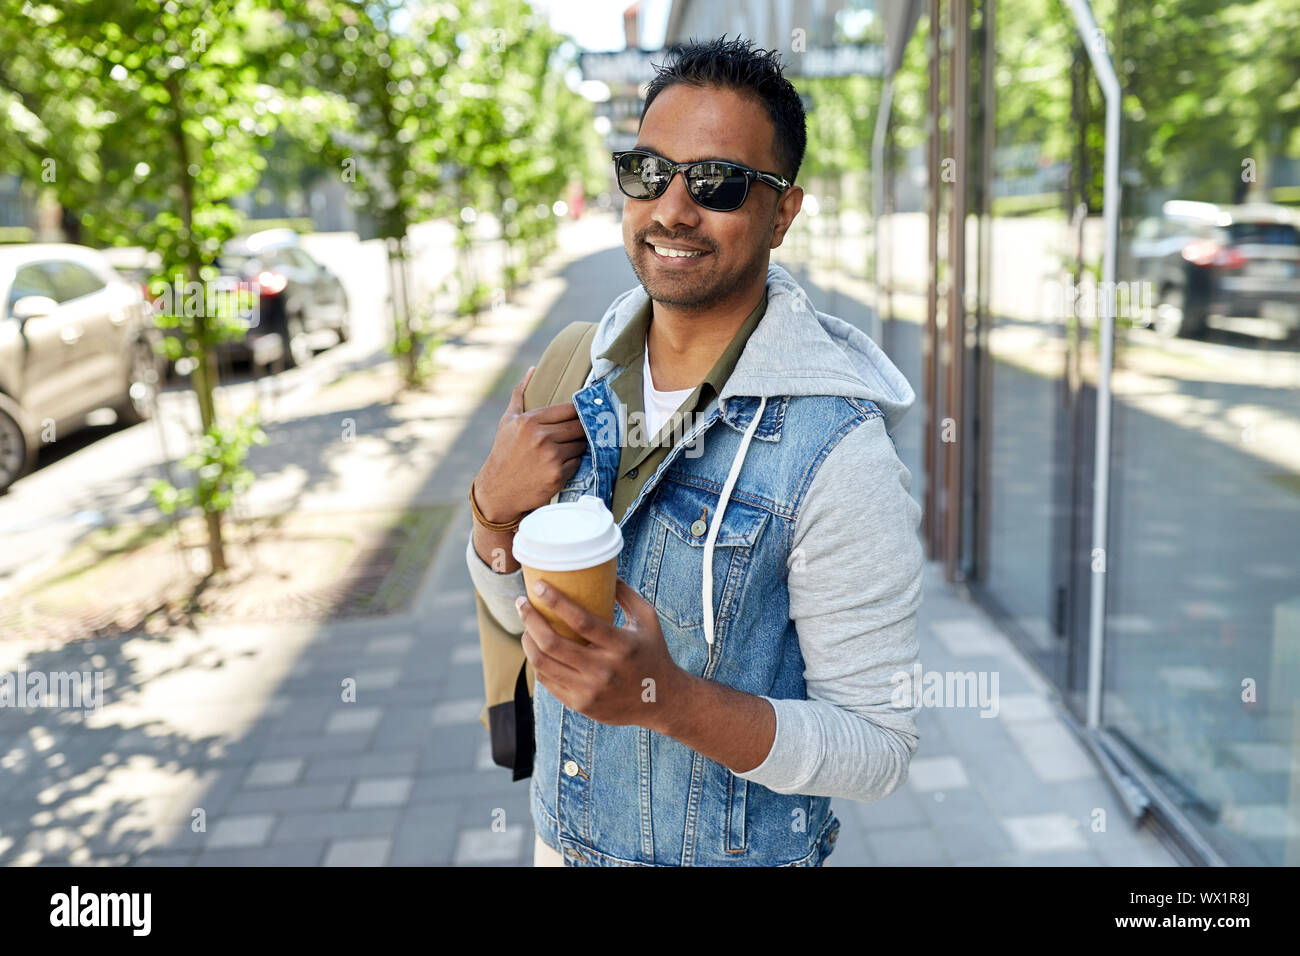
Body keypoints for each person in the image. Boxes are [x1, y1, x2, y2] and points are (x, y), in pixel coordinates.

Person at [465, 35, 923, 867]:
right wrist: (494, 516)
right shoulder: (572, 373)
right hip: (557, 846)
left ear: (782, 213)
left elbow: (879, 746)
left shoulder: (839, 454)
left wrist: (666, 699)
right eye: (648, 171)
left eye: (717, 183)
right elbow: (520, 625)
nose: (673, 209)